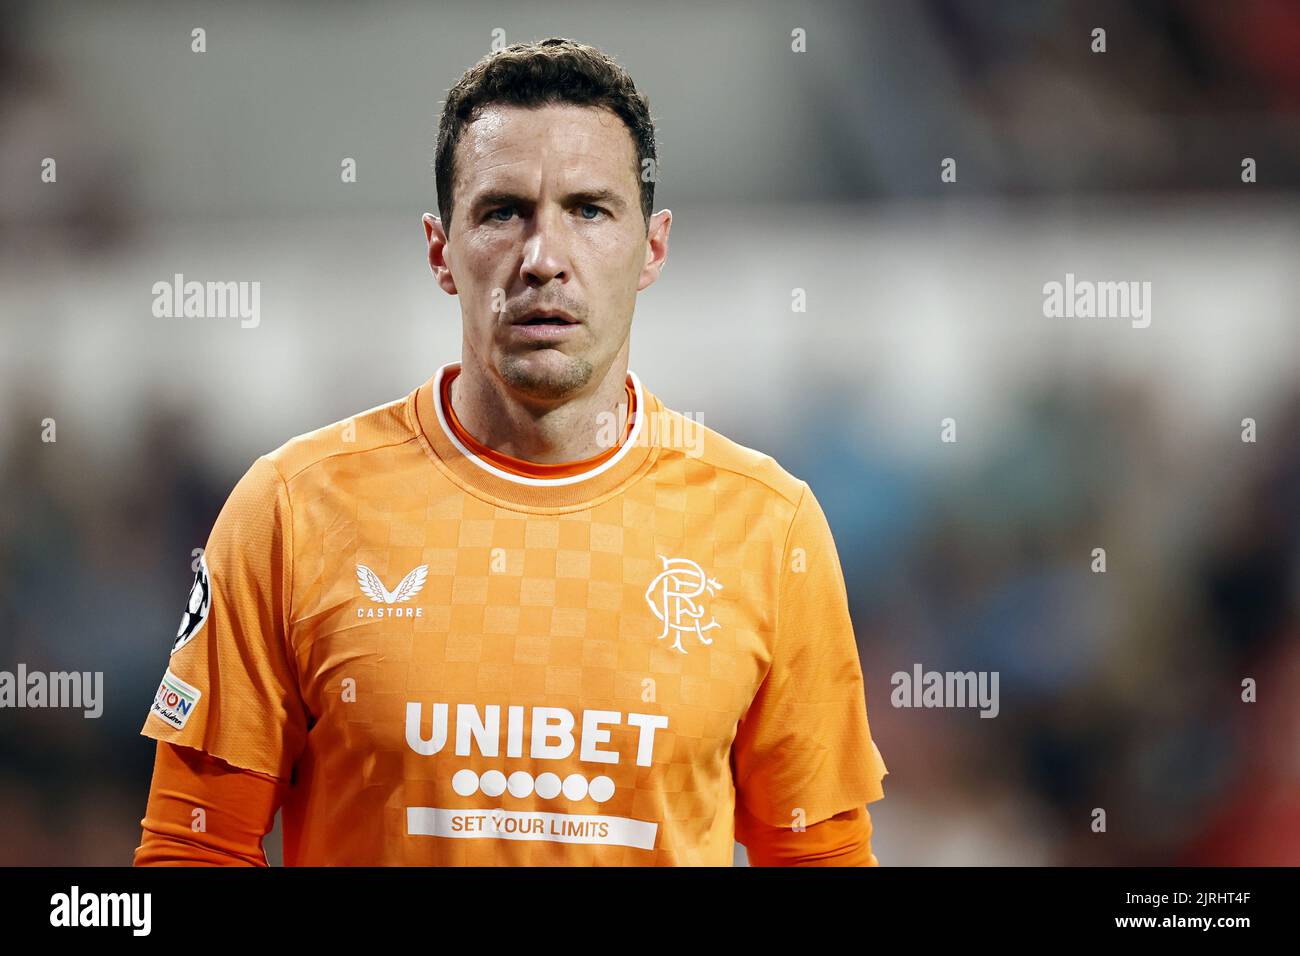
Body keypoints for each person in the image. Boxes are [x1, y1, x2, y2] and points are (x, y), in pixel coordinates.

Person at [134, 37, 887, 866]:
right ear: (441, 251)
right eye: (502, 212)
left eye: (589, 210)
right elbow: (193, 846)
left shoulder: (769, 530)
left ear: (653, 247)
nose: (543, 260)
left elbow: (821, 855)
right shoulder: (290, 512)